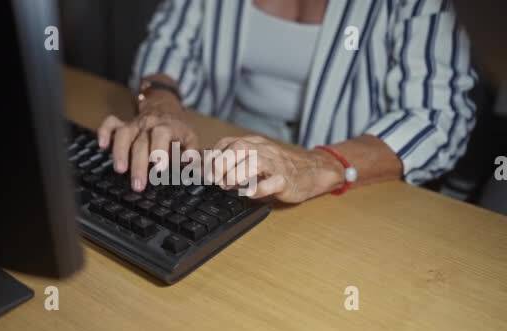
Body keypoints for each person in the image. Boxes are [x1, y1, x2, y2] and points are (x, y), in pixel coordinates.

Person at [97, 0, 476, 203]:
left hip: (343, 192)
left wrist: (317, 166)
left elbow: (438, 116)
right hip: (214, 172)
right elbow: (168, 45)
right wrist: (161, 106)